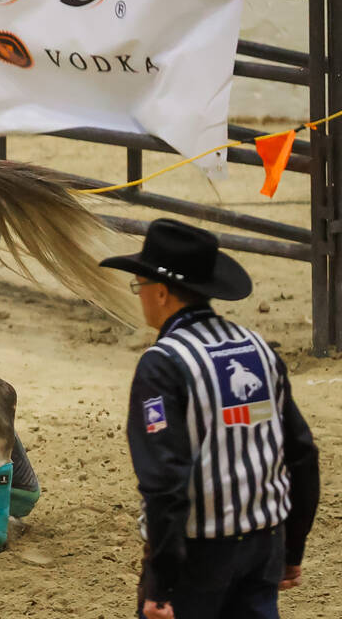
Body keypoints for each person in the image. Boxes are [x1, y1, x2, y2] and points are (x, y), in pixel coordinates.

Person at [99, 219, 319, 619]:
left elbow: (165, 480)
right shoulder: (259, 349)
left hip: (199, 554)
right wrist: (292, 547)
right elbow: (301, 452)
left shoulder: (163, 365)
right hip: (263, 542)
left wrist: (161, 582)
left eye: (141, 286)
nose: (141, 295)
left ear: (162, 292)